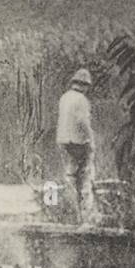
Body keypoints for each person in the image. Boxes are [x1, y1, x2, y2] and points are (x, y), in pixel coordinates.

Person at [56, 67, 96, 223]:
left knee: (69, 177)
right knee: (86, 177)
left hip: (63, 141)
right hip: (78, 142)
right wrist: (91, 140)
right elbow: (83, 122)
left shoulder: (64, 97)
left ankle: (69, 214)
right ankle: (86, 217)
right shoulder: (82, 100)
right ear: (85, 85)